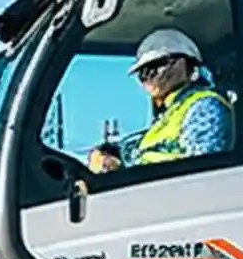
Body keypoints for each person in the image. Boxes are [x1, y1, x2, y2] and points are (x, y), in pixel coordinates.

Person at [88, 28, 233, 172]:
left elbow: (201, 169)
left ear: (183, 63)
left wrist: (126, 170)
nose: (148, 76)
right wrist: (105, 153)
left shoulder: (205, 106)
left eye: (154, 67)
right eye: (142, 73)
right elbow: (133, 149)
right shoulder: (166, 117)